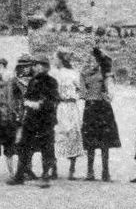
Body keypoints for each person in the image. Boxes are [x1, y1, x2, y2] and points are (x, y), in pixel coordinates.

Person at [9, 55, 57, 188]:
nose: (37, 67)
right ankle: (19, 176)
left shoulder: (51, 81)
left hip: (46, 121)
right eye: (36, 65)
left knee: (46, 149)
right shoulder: (33, 81)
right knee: (24, 147)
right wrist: (29, 103)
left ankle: (45, 177)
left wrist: (39, 104)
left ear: (46, 67)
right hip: (30, 120)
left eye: (40, 65)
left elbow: (52, 100)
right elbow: (27, 98)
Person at [80, 46, 121, 181]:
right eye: (89, 58)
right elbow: (82, 93)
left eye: (93, 59)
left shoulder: (106, 74)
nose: (90, 61)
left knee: (104, 141)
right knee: (90, 141)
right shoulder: (84, 73)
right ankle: (90, 172)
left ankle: (105, 172)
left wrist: (105, 92)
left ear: (98, 61)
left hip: (102, 107)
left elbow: (111, 94)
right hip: (90, 107)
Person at [52, 50, 84, 179]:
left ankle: (71, 169)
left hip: (70, 107)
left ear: (61, 60)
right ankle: (54, 168)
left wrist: (73, 95)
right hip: (59, 106)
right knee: (58, 133)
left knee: (72, 133)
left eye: (55, 58)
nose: (53, 61)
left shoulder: (73, 73)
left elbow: (81, 89)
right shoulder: (54, 74)